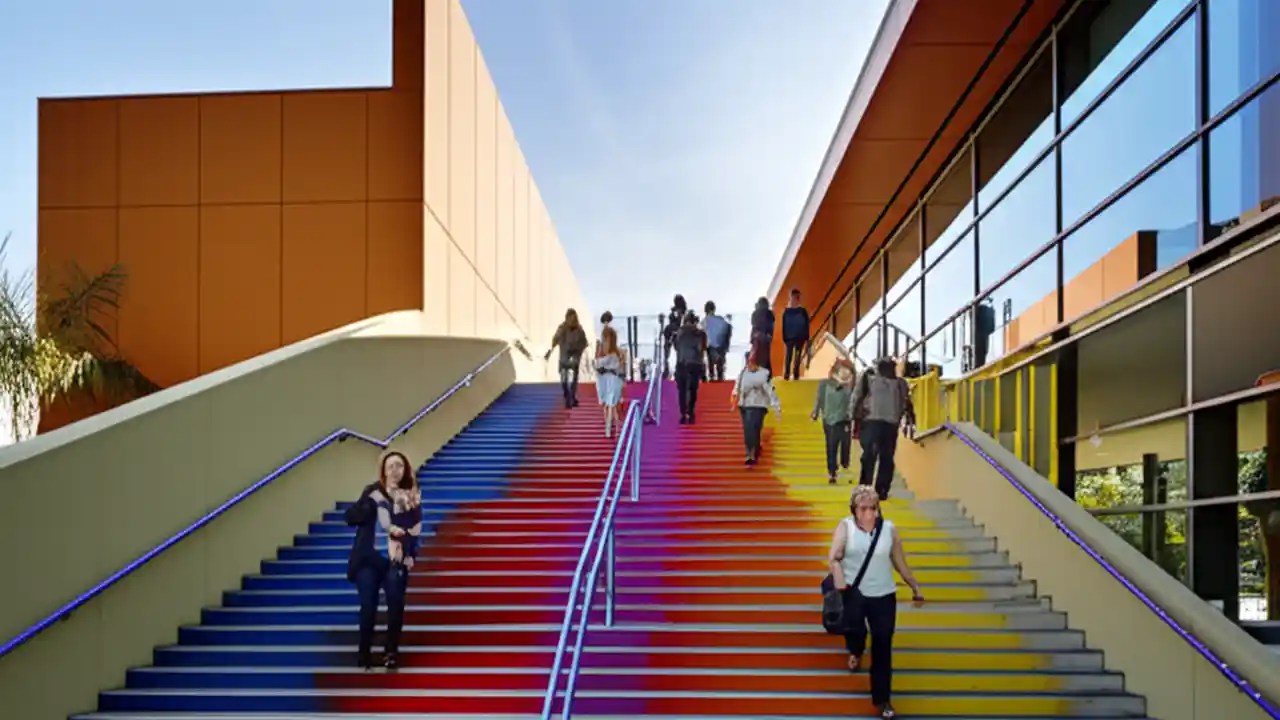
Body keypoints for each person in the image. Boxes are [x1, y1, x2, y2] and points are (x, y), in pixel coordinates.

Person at [827, 485, 924, 719]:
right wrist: (838, 575)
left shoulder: (889, 530)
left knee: (882, 646)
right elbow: (834, 556)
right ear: (854, 510)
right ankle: (856, 650)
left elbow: (900, 562)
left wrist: (914, 586)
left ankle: (883, 699)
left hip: (884, 596)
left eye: (873, 508)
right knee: (855, 630)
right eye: (863, 508)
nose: (868, 513)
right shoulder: (846, 527)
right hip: (854, 592)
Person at [345, 450, 421, 670]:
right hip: (368, 559)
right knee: (368, 605)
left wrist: (409, 555)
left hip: (394, 559)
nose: (395, 470)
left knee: (396, 604)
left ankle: (391, 652)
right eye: (390, 466)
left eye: (399, 465)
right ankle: (364, 652)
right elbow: (351, 518)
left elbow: (415, 530)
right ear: (383, 471)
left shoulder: (410, 495)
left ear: (405, 469)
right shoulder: (371, 492)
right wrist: (370, 504)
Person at [851, 358, 917, 500]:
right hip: (877, 422)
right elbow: (856, 397)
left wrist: (852, 416)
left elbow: (906, 403)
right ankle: (876, 489)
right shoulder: (869, 380)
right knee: (877, 456)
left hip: (883, 423)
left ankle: (873, 489)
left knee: (878, 457)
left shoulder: (900, 384)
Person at [731, 344, 780, 465]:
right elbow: (737, 387)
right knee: (748, 429)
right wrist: (734, 400)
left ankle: (755, 448)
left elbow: (770, 391)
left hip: (759, 406)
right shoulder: (743, 374)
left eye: (752, 362)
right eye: (748, 362)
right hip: (745, 405)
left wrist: (776, 406)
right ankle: (750, 453)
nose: (750, 365)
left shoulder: (764, 374)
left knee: (755, 428)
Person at [811, 357, 856, 484]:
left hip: (845, 418)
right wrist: (815, 411)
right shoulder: (824, 384)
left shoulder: (850, 385)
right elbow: (819, 398)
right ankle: (832, 472)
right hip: (829, 419)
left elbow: (853, 400)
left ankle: (844, 464)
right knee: (831, 445)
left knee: (845, 443)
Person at [545, 308, 589, 409]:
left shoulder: (579, 329)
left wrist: (579, 351)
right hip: (565, 357)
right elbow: (555, 339)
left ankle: (571, 397)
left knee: (570, 379)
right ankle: (568, 396)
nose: (572, 320)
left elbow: (584, 342)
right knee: (565, 380)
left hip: (573, 357)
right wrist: (550, 350)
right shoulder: (562, 328)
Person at [673, 311, 707, 424]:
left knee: (681, 390)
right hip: (695, 363)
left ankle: (683, 413)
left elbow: (676, 347)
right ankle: (691, 412)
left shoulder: (679, 333)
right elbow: (702, 349)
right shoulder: (701, 334)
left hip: (681, 363)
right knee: (693, 390)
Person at [594, 323, 627, 437]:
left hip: (611, 383)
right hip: (610, 382)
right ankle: (615, 427)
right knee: (611, 406)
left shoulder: (612, 355)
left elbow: (598, 364)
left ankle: (611, 429)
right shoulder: (616, 354)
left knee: (611, 405)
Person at [781, 288, 811, 381]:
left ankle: (794, 374)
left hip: (798, 337)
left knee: (795, 357)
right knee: (790, 356)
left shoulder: (800, 311)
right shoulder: (788, 311)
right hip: (792, 337)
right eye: (795, 297)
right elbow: (784, 325)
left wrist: (806, 337)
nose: (795, 299)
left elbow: (806, 325)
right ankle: (788, 374)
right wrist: (785, 337)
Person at [702, 301, 732, 382]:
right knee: (720, 369)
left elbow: (701, 334)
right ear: (714, 309)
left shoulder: (704, 321)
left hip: (710, 347)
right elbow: (728, 327)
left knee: (711, 366)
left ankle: (712, 378)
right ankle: (720, 379)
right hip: (721, 347)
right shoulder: (720, 319)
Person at [750, 297, 776, 375]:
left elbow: (753, 324)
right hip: (766, 338)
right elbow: (771, 324)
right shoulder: (770, 313)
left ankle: (757, 373)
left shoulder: (755, 313)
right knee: (766, 357)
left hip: (757, 337)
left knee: (757, 356)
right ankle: (768, 375)